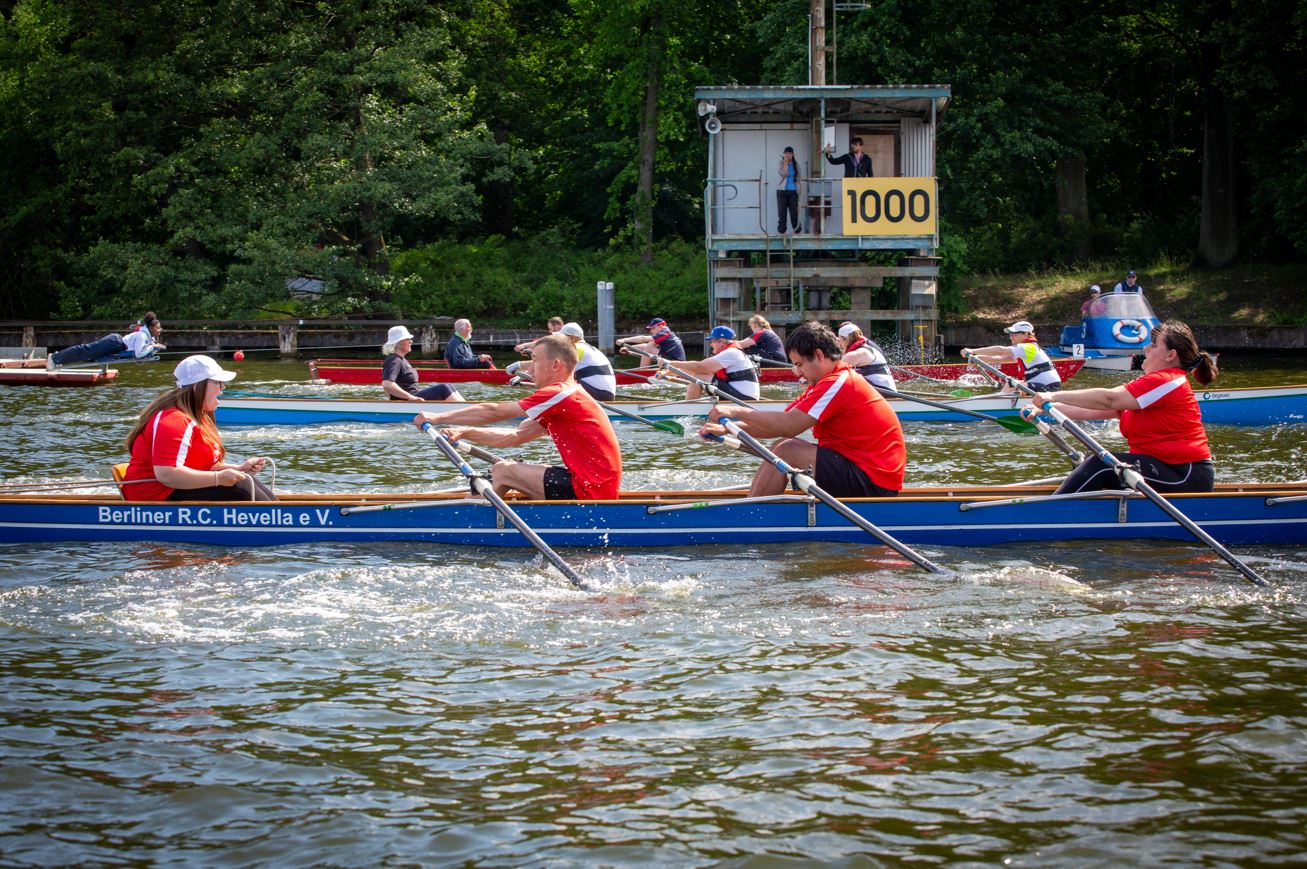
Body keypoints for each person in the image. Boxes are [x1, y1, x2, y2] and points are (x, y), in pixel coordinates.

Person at [699, 320, 904, 498]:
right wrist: (728, 429)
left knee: (787, 449)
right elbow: (779, 424)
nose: (797, 372)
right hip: (857, 468)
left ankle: (752, 517)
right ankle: (754, 505)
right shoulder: (823, 383)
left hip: (874, 480)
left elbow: (790, 426)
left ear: (818, 355)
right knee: (784, 444)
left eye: (799, 364)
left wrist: (736, 411)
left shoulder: (840, 381)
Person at [413, 334, 621, 501]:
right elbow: (515, 436)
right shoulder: (566, 398)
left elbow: (495, 411)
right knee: (506, 468)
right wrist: (464, 432)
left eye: (535, 361)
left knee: (502, 470)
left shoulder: (561, 393)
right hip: (595, 486)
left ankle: (468, 520)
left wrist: (438, 417)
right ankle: (476, 504)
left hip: (591, 491)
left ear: (556, 365)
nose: (529, 369)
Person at [1024, 321, 1216, 495]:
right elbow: (1095, 410)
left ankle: (1049, 515)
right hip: (1167, 469)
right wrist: (1045, 409)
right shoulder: (1153, 386)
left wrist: (1054, 395)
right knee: (1096, 465)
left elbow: (1109, 399)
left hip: (1185, 474)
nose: (1146, 348)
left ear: (1171, 355)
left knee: (1101, 464)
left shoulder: (1168, 381)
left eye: (1154, 345)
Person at [121, 355, 275, 501]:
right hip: (154, 496)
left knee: (247, 480)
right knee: (242, 486)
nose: (223, 387)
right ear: (197, 386)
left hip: (171, 489)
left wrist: (240, 468)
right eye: (217, 382)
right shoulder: (173, 420)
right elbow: (167, 474)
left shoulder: (198, 417)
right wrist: (220, 478)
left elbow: (203, 465)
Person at [657, 325, 760, 401]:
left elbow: (699, 367)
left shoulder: (731, 353)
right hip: (741, 395)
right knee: (702, 374)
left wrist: (670, 362)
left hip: (746, 399)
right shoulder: (729, 353)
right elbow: (696, 369)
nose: (711, 345)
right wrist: (669, 372)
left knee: (700, 376)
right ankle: (690, 404)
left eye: (713, 341)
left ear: (721, 341)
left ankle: (688, 408)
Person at [963, 320, 1062, 393]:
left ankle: (998, 404)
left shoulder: (1028, 348)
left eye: (1014, 334)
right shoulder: (1024, 349)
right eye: (1010, 334)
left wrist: (972, 351)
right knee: (1011, 382)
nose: (1011, 336)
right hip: (1041, 386)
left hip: (1050, 389)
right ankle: (999, 401)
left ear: (1026, 334)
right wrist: (980, 358)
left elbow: (1000, 350)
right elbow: (1001, 358)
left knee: (1014, 384)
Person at [49, 311, 164, 369]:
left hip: (116, 344)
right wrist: (153, 347)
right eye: (158, 328)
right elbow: (139, 354)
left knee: (88, 354)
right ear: (151, 328)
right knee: (86, 350)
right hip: (114, 343)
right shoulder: (142, 335)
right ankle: (55, 358)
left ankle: (60, 359)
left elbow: (147, 348)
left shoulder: (148, 336)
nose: (160, 330)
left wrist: (155, 347)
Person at [381, 325, 463, 403]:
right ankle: (465, 412)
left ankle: (468, 408)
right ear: (397, 343)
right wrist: (410, 398)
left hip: (415, 397)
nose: (411, 341)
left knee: (449, 385)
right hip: (410, 400)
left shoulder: (402, 360)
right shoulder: (394, 360)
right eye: (407, 339)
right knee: (444, 388)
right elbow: (387, 384)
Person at [553, 322, 617, 401]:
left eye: (562, 338)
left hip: (600, 395)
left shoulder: (578, 347)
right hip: (604, 394)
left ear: (572, 338)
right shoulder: (588, 348)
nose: (559, 340)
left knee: (563, 378)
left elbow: (554, 362)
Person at [836, 322, 894, 391]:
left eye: (840, 339)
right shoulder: (865, 347)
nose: (839, 343)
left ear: (845, 339)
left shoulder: (860, 353)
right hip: (879, 390)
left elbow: (831, 368)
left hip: (885, 393)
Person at [617, 318, 686, 361]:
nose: (651, 331)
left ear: (660, 326)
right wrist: (628, 348)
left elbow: (643, 339)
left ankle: (642, 372)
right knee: (649, 345)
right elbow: (645, 346)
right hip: (675, 362)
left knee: (649, 347)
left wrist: (624, 340)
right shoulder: (667, 334)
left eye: (653, 328)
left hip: (676, 364)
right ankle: (643, 371)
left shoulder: (664, 334)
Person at [776, 146, 801, 234]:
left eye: (790, 153)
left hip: (793, 191)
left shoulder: (796, 164)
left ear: (793, 154)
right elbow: (783, 174)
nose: (788, 155)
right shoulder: (781, 163)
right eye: (786, 153)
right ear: (784, 154)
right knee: (782, 213)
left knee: (794, 213)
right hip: (782, 191)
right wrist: (785, 163)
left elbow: (799, 179)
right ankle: (782, 232)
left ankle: (796, 231)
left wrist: (799, 191)